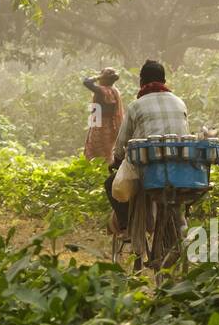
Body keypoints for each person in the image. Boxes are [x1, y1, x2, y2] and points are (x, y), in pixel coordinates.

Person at [106, 60, 189, 242]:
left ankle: (126, 228)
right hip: (179, 170)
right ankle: (180, 224)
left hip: (147, 170)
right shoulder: (179, 103)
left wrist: (117, 161)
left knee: (110, 183)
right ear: (164, 81)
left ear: (141, 81)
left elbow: (121, 143)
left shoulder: (137, 105)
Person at [81, 66, 123, 161]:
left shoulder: (102, 91)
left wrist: (98, 77)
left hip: (100, 125)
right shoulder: (114, 91)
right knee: (108, 150)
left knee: (96, 150)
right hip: (111, 125)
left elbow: (86, 82)